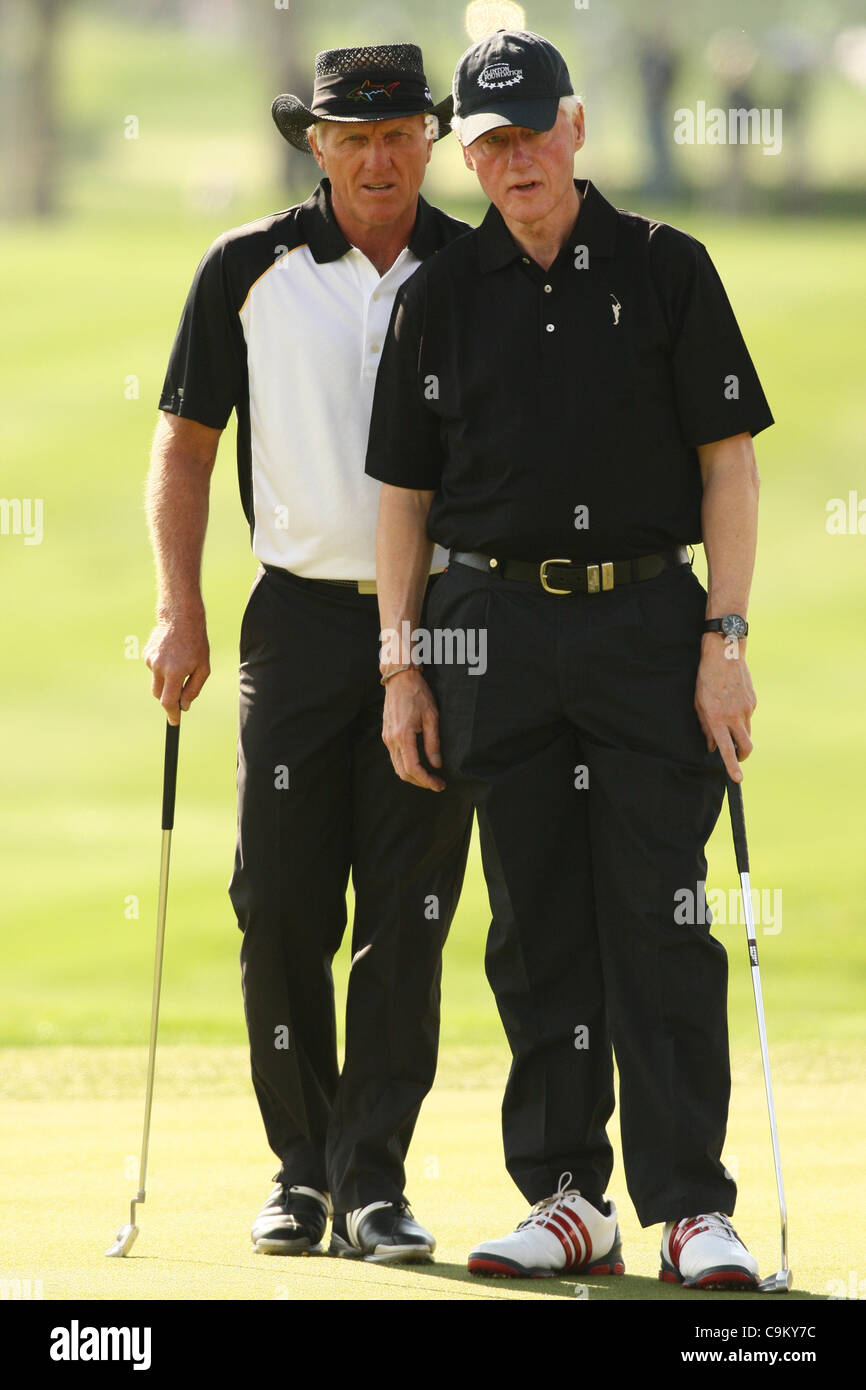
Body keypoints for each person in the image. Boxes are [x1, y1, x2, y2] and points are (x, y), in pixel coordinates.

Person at [366, 29, 773, 1287]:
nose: (515, 160)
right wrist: (400, 663)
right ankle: (564, 1196)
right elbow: (402, 496)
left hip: (651, 629)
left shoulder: (665, 270)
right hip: (493, 635)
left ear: (576, 126)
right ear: (469, 157)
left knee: (659, 913)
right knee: (534, 923)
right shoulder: (441, 293)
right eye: (488, 144)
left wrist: (725, 639)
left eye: (532, 132)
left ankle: (688, 1210)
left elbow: (728, 467)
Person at [143, 44, 474, 1264]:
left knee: (407, 910)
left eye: (399, 134)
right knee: (277, 903)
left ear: (430, 140)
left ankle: (373, 1180)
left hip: (438, 627)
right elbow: (183, 449)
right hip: (294, 622)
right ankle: (301, 1172)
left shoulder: (477, 268)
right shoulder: (246, 268)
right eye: (354, 137)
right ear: (317, 146)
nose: (378, 158)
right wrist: (180, 606)